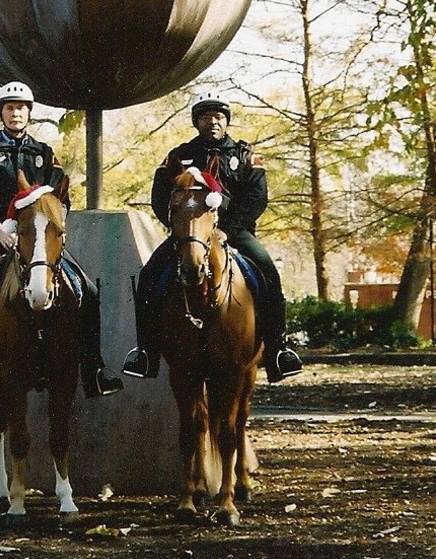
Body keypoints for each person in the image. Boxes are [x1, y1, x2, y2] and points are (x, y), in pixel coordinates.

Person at [0, 82, 124, 407]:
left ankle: (94, 369)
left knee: (88, 291)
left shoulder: (44, 153)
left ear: (29, 113)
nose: (16, 113)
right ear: (1, 113)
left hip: (38, 242)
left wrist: (51, 227)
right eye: (10, 108)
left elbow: (59, 197)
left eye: (21, 108)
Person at [122, 93, 303, 383]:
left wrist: (227, 229)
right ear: (196, 122)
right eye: (206, 117)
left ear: (227, 121)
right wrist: (182, 229)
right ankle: (146, 352)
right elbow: (160, 196)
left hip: (235, 233)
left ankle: (278, 351)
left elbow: (256, 198)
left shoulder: (245, 156)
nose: (213, 122)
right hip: (189, 235)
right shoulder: (178, 157)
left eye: (219, 116)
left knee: (268, 273)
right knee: (149, 277)